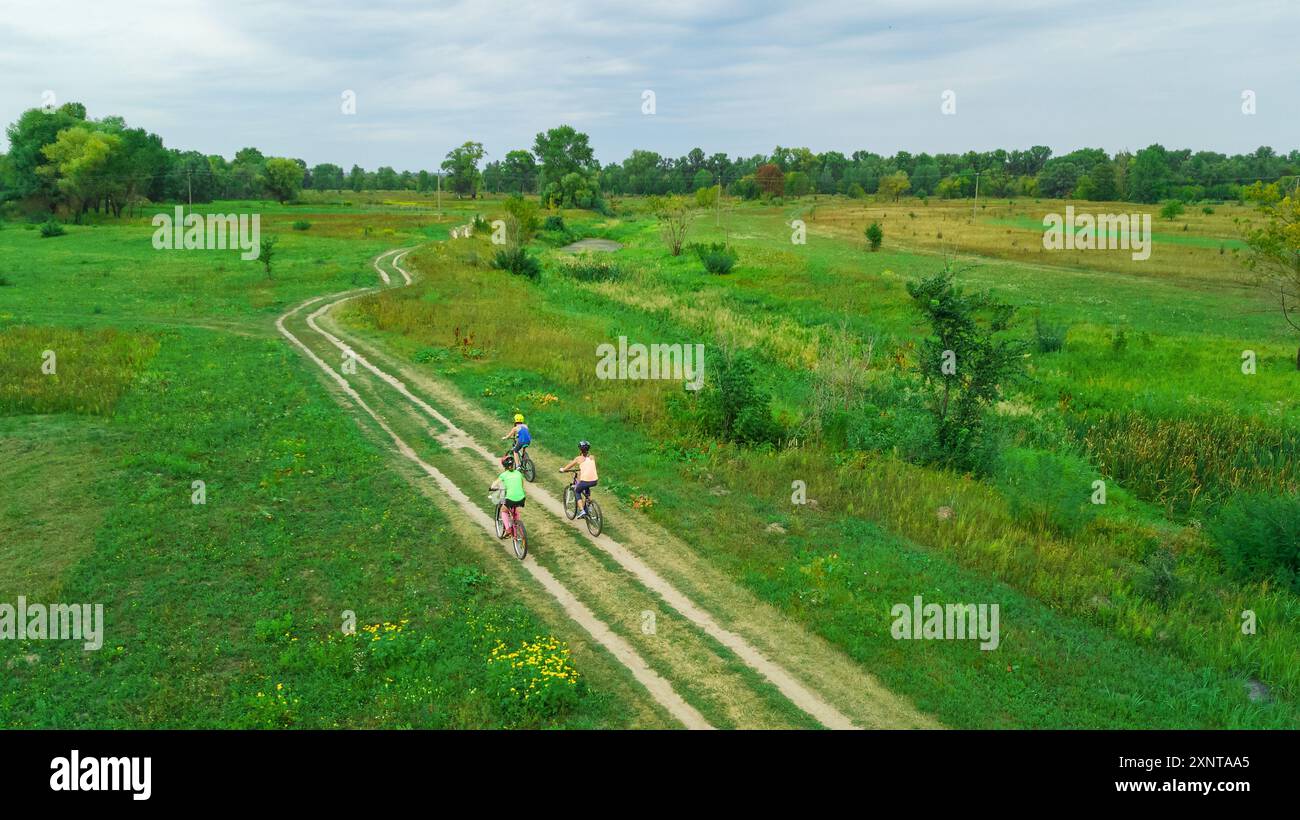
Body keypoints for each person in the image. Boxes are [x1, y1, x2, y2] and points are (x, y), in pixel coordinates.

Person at [559, 440, 598, 519]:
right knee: (586, 490)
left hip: (586, 481)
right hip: (594, 480)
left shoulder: (578, 459)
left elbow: (568, 466)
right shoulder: (592, 457)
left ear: (580, 449)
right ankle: (589, 506)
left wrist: (563, 469)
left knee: (577, 490)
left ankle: (582, 511)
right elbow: (588, 467)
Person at [490, 455, 527, 537]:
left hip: (511, 498)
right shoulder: (518, 473)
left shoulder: (503, 475)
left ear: (504, 466)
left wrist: (491, 488)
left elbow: (494, 484)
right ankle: (517, 524)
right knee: (514, 509)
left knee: (503, 510)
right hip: (522, 498)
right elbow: (521, 484)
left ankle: (508, 529)